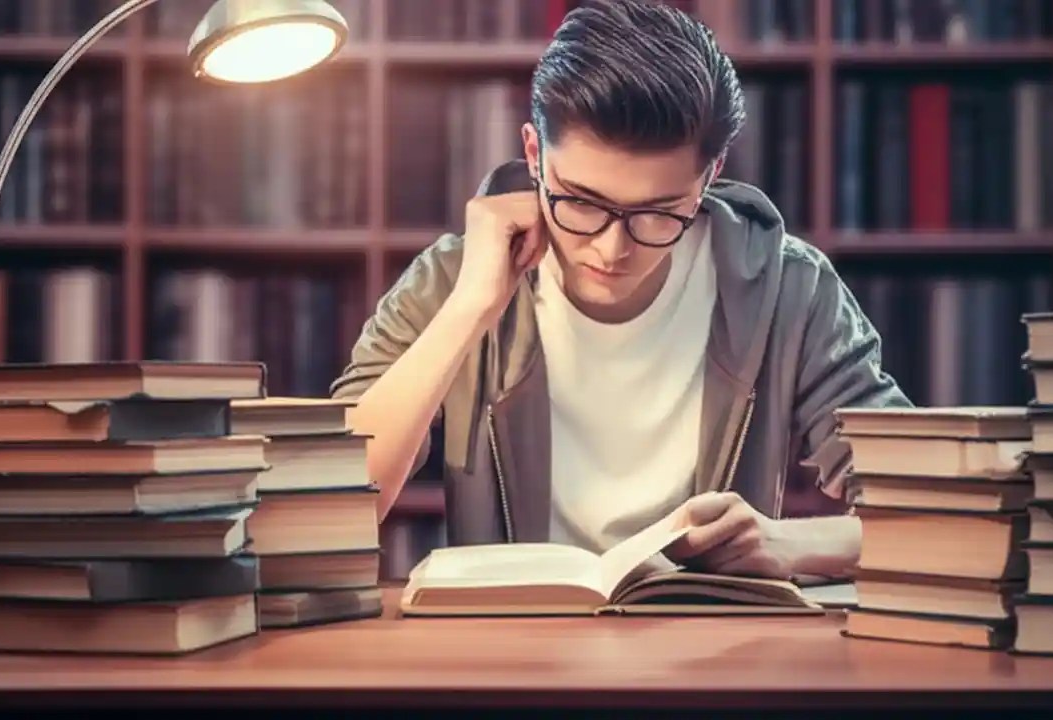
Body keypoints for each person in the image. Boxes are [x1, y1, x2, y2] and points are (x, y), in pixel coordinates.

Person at [331, 0, 911, 582]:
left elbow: (929, 512)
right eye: (581, 202)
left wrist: (787, 543)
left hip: (712, 651)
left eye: (658, 214)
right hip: (512, 649)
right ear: (534, 154)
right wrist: (469, 309)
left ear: (710, 176)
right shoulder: (452, 280)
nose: (612, 249)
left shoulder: (791, 288)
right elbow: (336, 503)